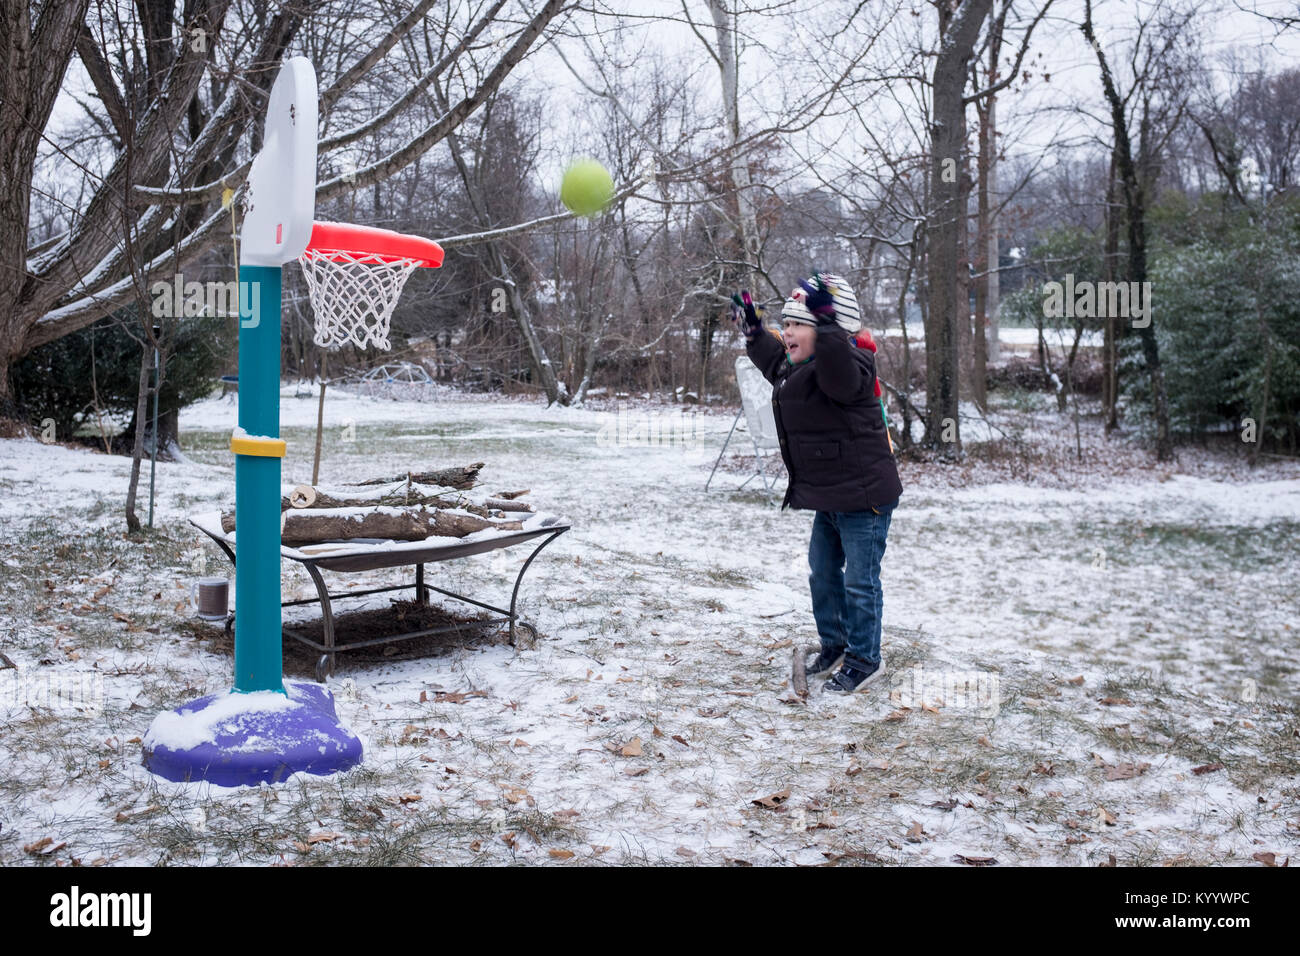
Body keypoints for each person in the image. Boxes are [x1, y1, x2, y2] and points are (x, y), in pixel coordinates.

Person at [729, 274, 903, 694]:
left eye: (798, 324)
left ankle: (865, 659)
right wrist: (755, 332)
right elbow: (775, 361)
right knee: (822, 571)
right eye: (785, 324)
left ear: (831, 328)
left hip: (865, 497)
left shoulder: (850, 366)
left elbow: (838, 371)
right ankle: (836, 643)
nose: (786, 332)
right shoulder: (796, 368)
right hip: (831, 496)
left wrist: (826, 329)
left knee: (860, 581)